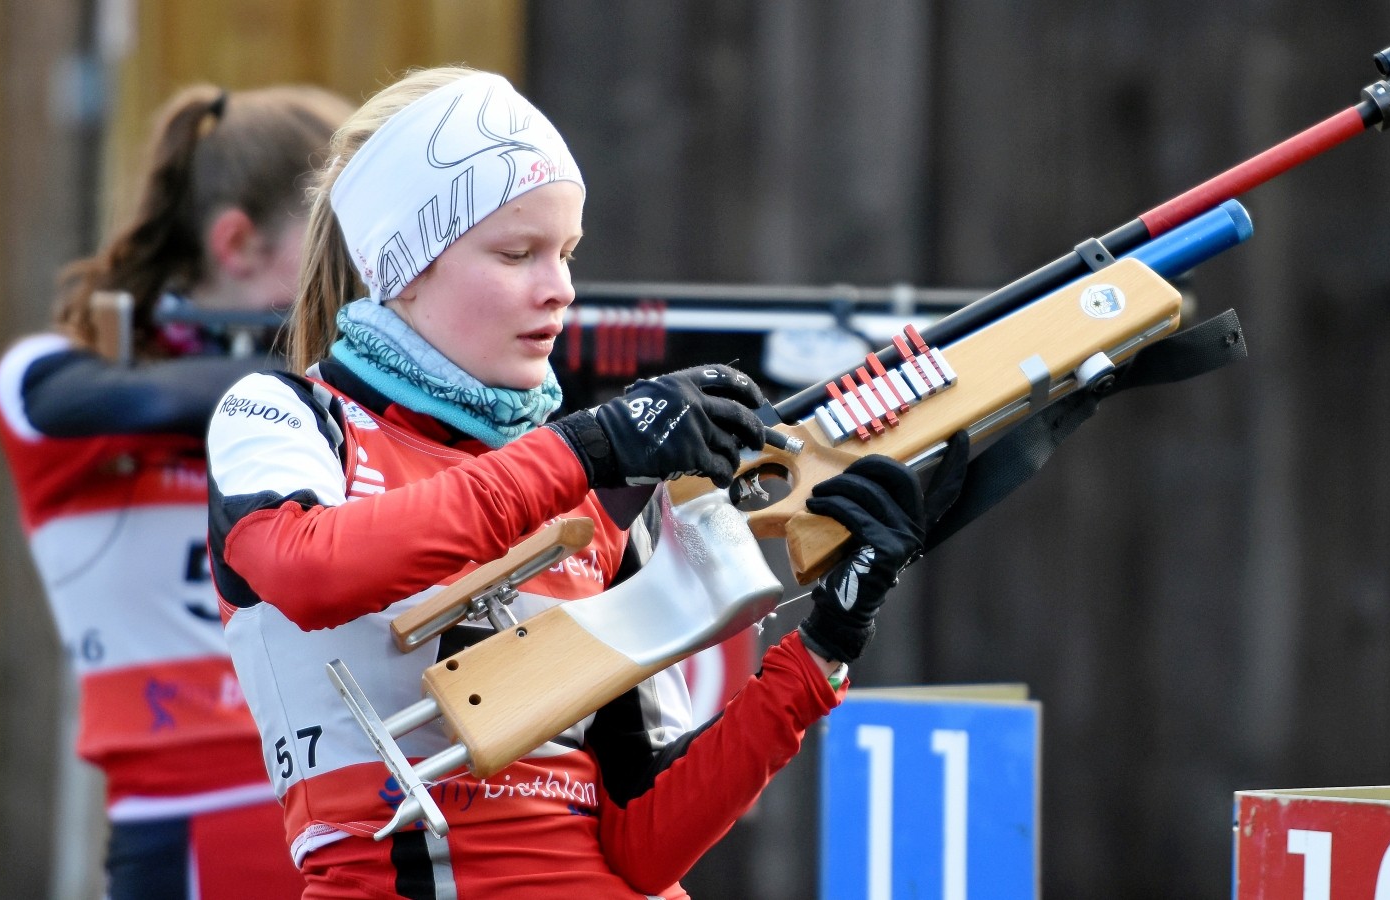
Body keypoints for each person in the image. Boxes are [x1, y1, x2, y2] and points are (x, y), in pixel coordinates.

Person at [202, 66, 965, 898]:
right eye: (517, 252)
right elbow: (312, 572)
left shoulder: (579, 493)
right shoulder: (286, 414)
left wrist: (825, 647)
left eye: (566, 252)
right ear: (403, 268)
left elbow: (644, 842)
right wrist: (587, 449)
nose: (560, 287)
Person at [0, 83, 353, 898]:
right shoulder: (52, 381)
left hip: (360, 805)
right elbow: (152, 399)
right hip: (199, 820)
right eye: (333, 244)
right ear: (236, 242)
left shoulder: (341, 404)